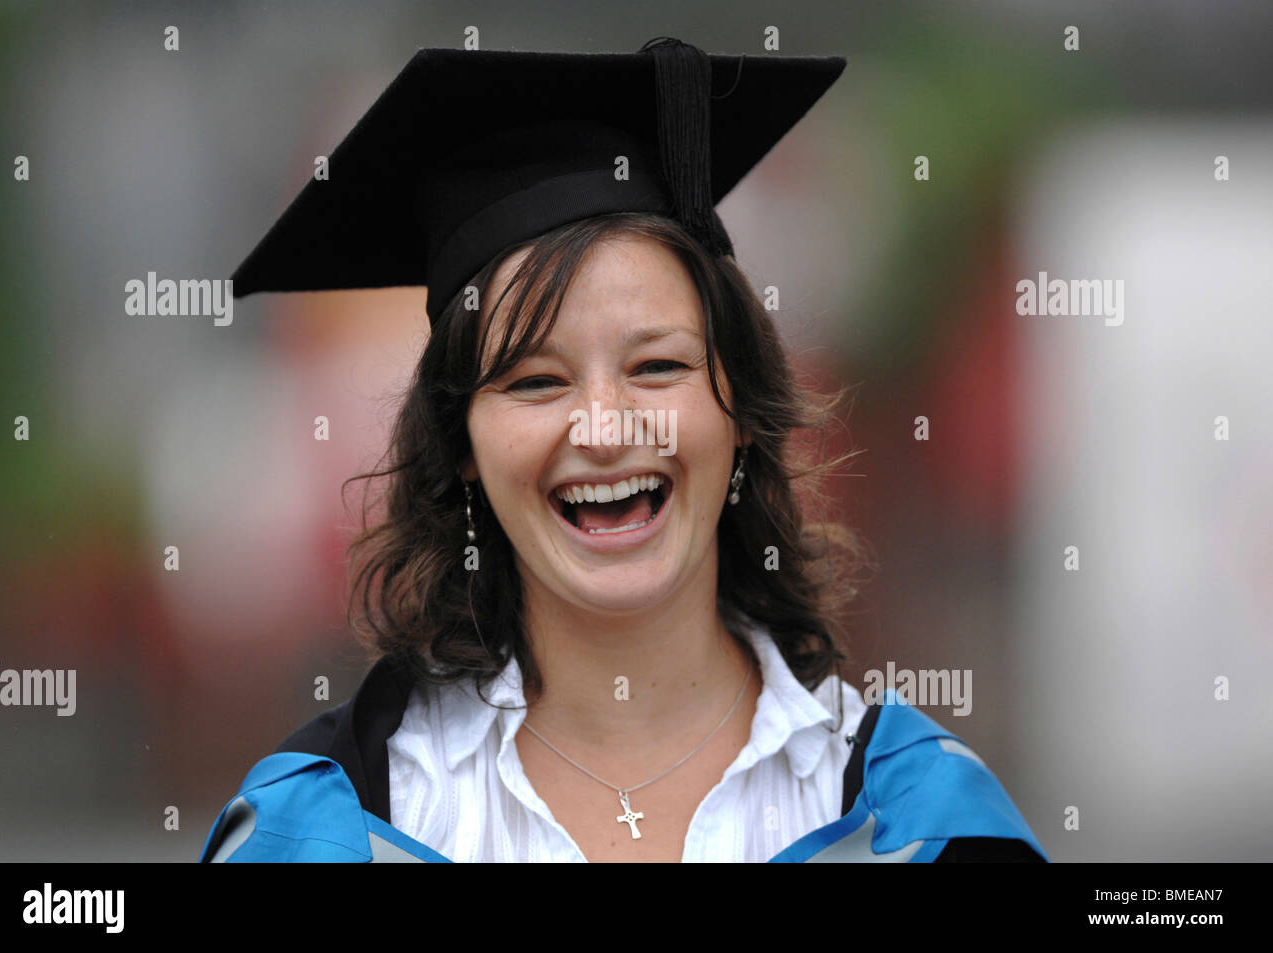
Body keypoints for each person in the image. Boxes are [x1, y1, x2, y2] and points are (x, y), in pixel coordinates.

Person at [200, 38, 1048, 863]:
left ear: (743, 409)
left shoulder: (913, 821)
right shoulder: (329, 827)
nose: (605, 429)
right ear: (460, 441)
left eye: (658, 366)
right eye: (535, 381)